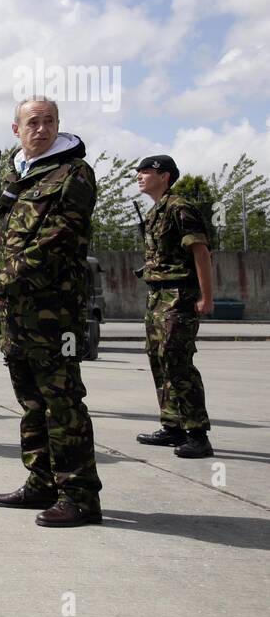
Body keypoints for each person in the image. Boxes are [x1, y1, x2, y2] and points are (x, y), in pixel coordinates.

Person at [0, 96, 104, 527]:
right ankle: (41, 482)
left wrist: (3, 286)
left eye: (48, 121)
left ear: (58, 125)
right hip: (18, 314)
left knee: (62, 402)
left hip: (54, 311)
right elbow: (1, 246)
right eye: (32, 122)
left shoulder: (74, 173)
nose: (41, 129)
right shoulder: (15, 177)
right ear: (17, 129)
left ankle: (80, 496)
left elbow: (57, 239)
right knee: (31, 402)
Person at [134, 155, 215, 458]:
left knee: (178, 361)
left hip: (179, 296)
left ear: (165, 176)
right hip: (157, 296)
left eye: (146, 171)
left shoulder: (180, 207)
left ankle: (197, 433)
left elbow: (201, 252)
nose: (139, 176)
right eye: (138, 172)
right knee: (159, 358)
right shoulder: (157, 211)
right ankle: (173, 426)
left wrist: (206, 297)